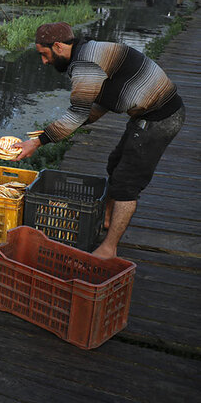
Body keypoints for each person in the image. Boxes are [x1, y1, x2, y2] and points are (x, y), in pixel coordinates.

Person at [14, 22, 185, 259]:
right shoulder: (89, 50)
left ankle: (109, 247)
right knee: (115, 163)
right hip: (146, 113)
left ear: (58, 46)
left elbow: (78, 113)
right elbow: (98, 103)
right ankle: (106, 217)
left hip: (160, 117)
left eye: (45, 55)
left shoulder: (84, 64)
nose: (44, 62)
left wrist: (38, 141)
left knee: (127, 183)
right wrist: (63, 127)